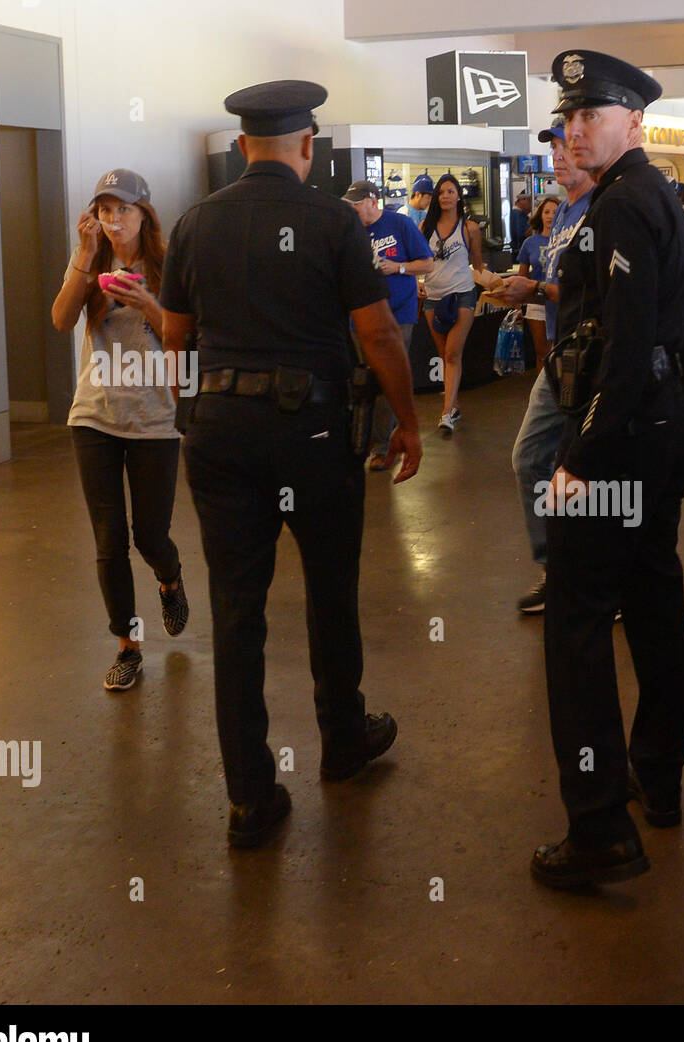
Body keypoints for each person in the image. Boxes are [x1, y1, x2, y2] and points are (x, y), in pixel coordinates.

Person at [159, 80, 422, 849]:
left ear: (243, 146)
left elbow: (173, 341)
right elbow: (377, 336)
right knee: (330, 592)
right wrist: (406, 423)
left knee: (236, 613)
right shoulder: (332, 220)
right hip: (313, 437)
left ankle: (249, 795)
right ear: (308, 146)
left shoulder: (193, 223)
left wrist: (191, 414)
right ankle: (343, 742)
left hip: (221, 435)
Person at [531, 49, 684, 889]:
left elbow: (627, 349)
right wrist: (681, 431)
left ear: (634, 123)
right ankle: (658, 773)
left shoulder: (623, 205)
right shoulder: (649, 196)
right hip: (655, 427)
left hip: (620, 432)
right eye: (569, 118)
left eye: (590, 116)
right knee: (652, 595)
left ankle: (598, 822)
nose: (575, 130)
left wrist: (580, 458)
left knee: (576, 624)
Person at [51, 168, 188, 692]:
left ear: (144, 213)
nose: (112, 220)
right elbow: (62, 320)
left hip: (156, 418)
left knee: (150, 536)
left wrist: (147, 303)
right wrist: (85, 262)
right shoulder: (92, 258)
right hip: (94, 416)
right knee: (109, 542)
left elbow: (185, 334)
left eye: (123, 209)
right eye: (104, 210)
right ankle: (128, 646)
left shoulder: (168, 262)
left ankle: (170, 578)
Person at [503, 123, 595, 614]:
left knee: (588, 468)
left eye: (565, 147)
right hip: (563, 352)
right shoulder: (564, 214)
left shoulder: (602, 210)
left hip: (595, 357)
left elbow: (595, 293)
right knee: (533, 458)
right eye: (554, 149)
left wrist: (534, 291)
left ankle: (603, 579)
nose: (558, 157)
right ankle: (556, 568)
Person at [341, 180, 434, 471]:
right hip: (360, 315)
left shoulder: (400, 224)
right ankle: (359, 441)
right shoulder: (350, 231)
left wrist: (399, 268)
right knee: (362, 380)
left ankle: (381, 446)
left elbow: (427, 263)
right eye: (351, 205)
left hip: (398, 314)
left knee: (388, 379)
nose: (354, 210)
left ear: (373, 201)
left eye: (357, 204)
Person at [421, 174, 487, 434]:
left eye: (450, 191)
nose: (446, 196)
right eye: (441, 192)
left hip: (463, 295)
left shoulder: (470, 228)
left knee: (452, 353)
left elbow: (478, 264)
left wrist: (496, 285)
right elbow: (420, 260)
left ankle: (447, 413)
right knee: (444, 354)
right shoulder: (425, 226)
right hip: (433, 298)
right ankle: (454, 403)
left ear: (459, 195)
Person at [516, 195, 561, 367]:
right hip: (537, 303)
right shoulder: (530, 243)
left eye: (555, 212)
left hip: (560, 301)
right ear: (540, 215)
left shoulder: (567, 241)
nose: (550, 216)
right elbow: (522, 277)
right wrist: (518, 306)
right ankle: (543, 392)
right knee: (542, 352)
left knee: (559, 350)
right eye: (546, 212)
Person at [509, 190, 532, 262]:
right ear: (522, 199)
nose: (532, 204)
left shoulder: (521, 215)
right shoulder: (517, 215)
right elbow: (524, 234)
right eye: (530, 201)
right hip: (517, 254)